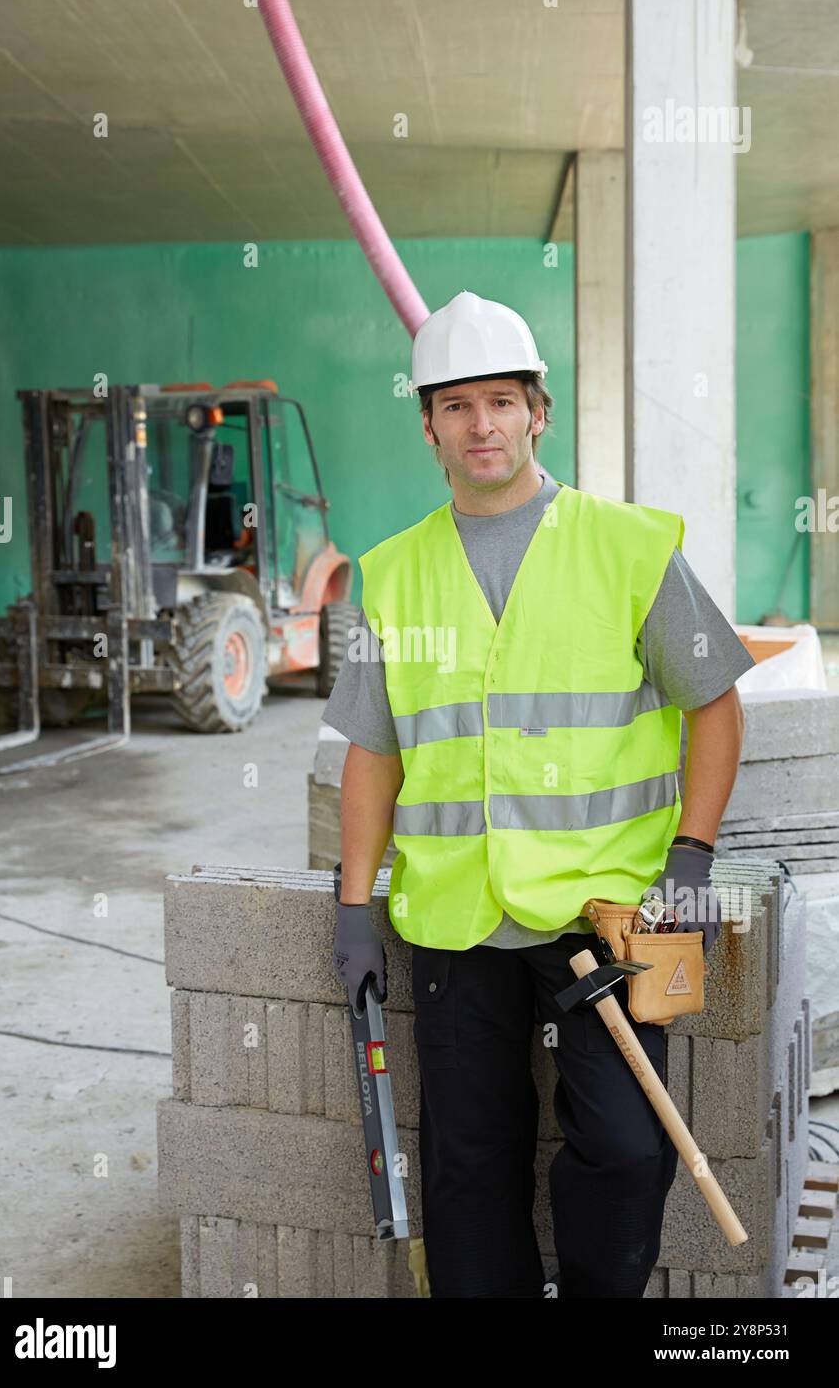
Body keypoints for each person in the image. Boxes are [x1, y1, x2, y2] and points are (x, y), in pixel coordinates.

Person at [323, 289, 756, 1298]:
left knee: (622, 1149)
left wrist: (690, 857)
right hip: (454, 920)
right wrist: (353, 906)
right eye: (458, 405)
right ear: (427, 423)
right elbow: (373, 753)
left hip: (603, 916)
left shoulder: (628, 547)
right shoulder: (390, 575)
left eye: (503, 402)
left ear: (538, 413)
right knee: (467, 1163)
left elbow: (717, 704)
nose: (483, 425)